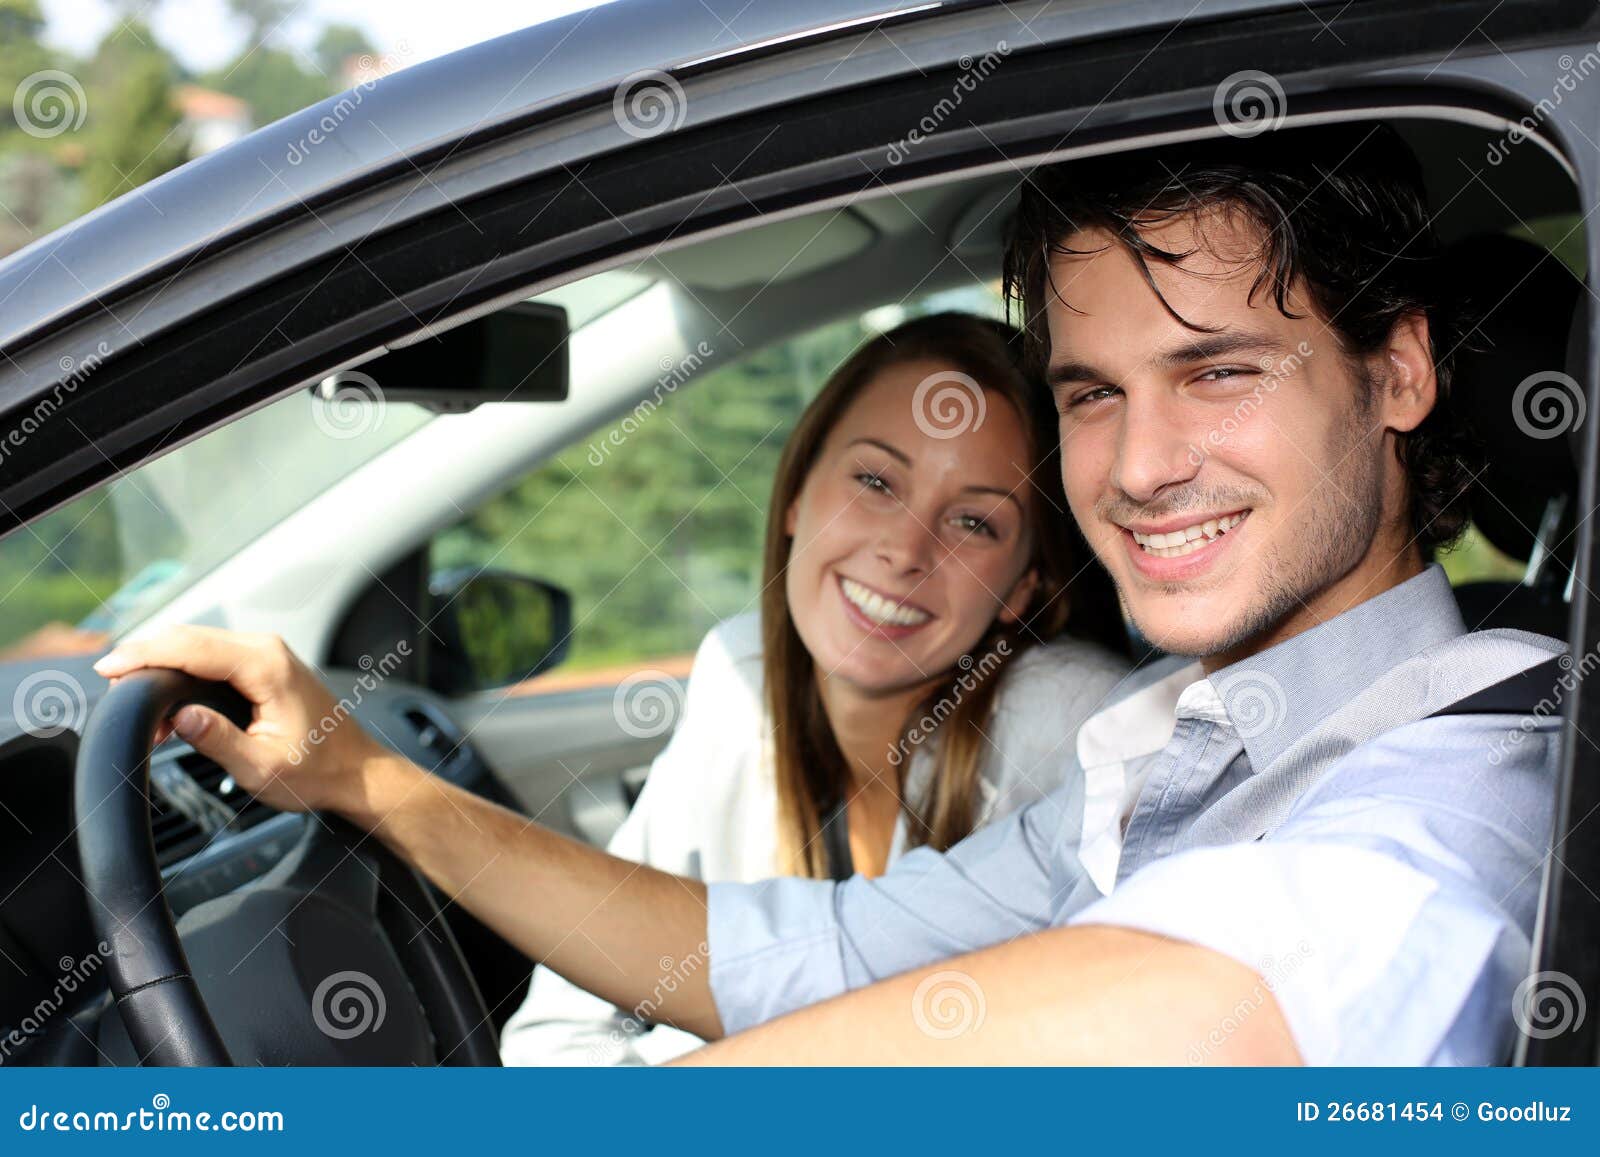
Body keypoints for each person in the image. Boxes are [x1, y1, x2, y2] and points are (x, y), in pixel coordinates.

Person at [95, 122, 1566, 1066]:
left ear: (1401, 372)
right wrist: (365, 780)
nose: (1142, 463)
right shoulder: (1171, 742)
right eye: (1093, 395)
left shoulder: (1478, 769)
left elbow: (1227, 1007)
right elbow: (806, 959)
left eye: (1220, 372)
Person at [498, 313, 1132, 1064]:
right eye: (875, 481)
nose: (905, 549)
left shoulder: (1081, 728)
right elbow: (564, 1028)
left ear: (1021, 589)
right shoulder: (741, 677)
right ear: (796, 493)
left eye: (972, 521)